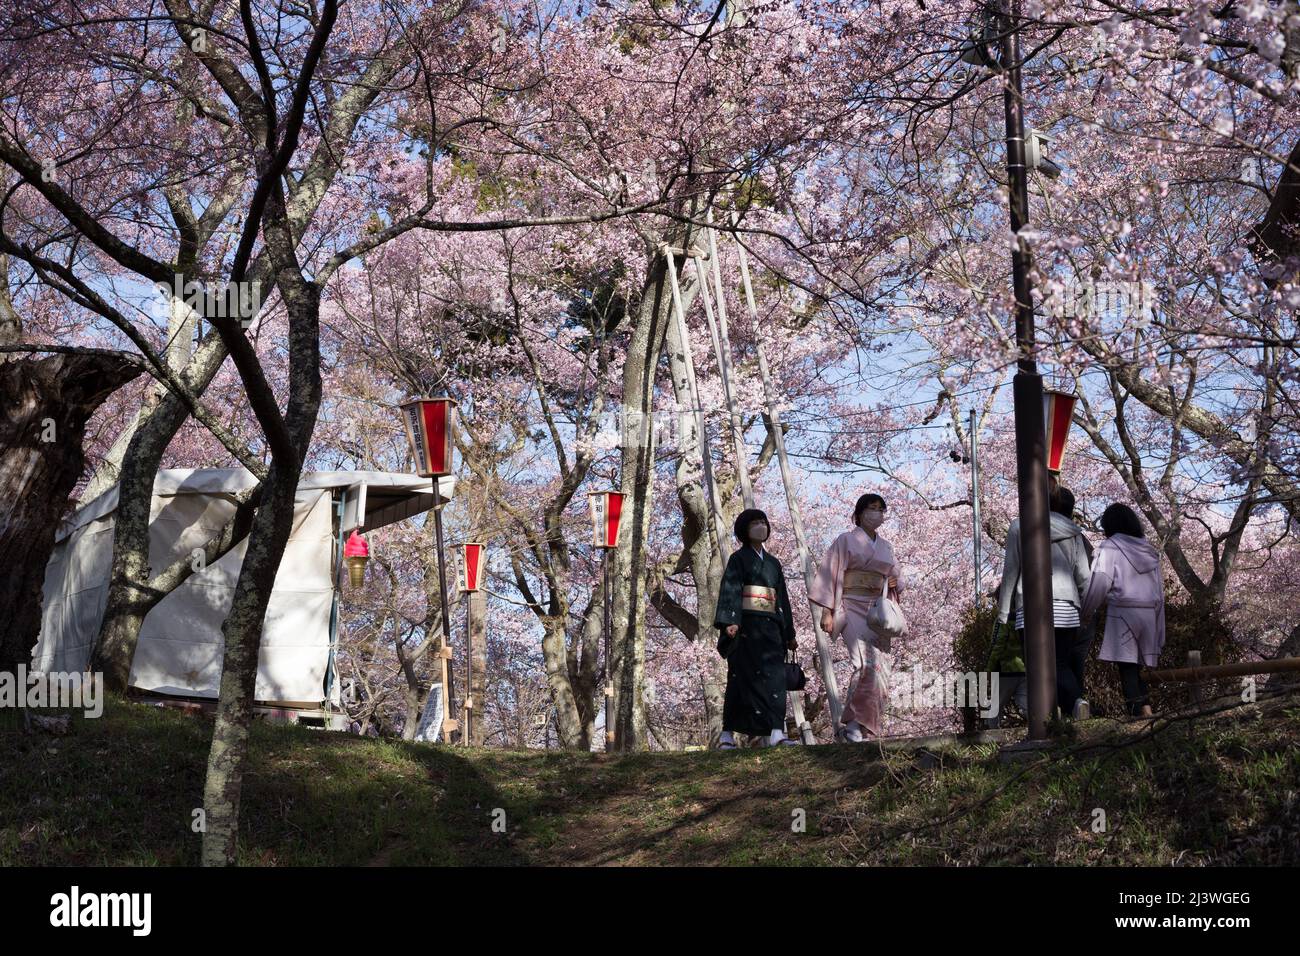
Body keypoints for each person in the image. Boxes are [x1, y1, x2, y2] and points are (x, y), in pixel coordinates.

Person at [809, 493, 903, 742]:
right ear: (859, 513)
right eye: (872, 508)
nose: (877, 513)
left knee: (880, 668)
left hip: (877, 611)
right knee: (863, 663)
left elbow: (896, 577)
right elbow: (830, 573)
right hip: (851, 606)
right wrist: (827, 610)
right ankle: (852, 723)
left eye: (881, 509)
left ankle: (858, 725)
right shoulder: (845, 540)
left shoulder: (886, 546)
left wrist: (894, 582)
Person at [996, 483, 1093, 720]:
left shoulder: (1020, 526)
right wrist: (1086, 608)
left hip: (1030, 606)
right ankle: (1074, 703)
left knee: (1037, 668)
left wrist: (1003, 611)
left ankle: (1054, 714)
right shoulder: (1073, 530)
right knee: (1059, 663)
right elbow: (1084, 575)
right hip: (1067, 607)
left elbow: (1011, 571)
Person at [714, 508, 799, 749]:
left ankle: (775, 731)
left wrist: (789, 633)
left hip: (771, 628)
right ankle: (727, 735)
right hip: (746, 627)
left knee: (775, 679)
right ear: (744, 529)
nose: (761, 526)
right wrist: (730, 620)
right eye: (755, 523)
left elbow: (782, 599)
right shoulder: (738, 559)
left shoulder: (773, 563)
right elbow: (730, 589)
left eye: (763, 522)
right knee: (740, 679)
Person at [1080, 503, 1165, 719]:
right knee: (1140, 668)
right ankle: (1146, 711)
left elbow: (1100, 582)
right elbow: (1159, 592)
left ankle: (1136, 715)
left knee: (1127, 668)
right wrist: (1160, 629)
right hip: (1150, 614)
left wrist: (1086, 612)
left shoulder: (1110, 547)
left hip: (1123, 612)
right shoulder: (1149, 551)